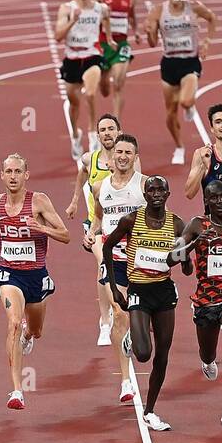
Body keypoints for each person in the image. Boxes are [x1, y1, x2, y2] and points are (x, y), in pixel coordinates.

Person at [0, 153, 71, 410]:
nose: (13, 176)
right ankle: (17, 390)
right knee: (14, 323)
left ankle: (29, 334)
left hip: (36, 276)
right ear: (2, 175)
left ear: (26, 175)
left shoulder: (39, 201)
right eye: (9, 172)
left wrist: (42, 229)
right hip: (8, 273)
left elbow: (65, 234)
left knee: (35, 330)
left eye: (18, 171)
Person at [104, 175, 189, 431]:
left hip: (163, 292)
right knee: (143, 354)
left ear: (167, 193)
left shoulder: (176, 224)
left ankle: (150, 410)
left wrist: (184, 256)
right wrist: (113, 287)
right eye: (151, 190)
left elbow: (186, 269)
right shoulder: (131, 220)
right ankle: (131, 338)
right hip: (138, 290)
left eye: (160, 190)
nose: (155, 194)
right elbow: (108, 247)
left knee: (162, 356)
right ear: (145, 194)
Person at [174, 181, 222, 429]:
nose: (220, 201)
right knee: (208, 353)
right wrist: (195, 244)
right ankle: (207, 360)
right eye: (214, 197)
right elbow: (174, 256)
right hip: (207, 299)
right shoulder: (198, 224)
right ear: (206, 201)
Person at [86, 132, 145, 403]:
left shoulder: (144, 186)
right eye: (118, 152)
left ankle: (138, 335)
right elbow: (98, 215)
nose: (122, 157)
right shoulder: (101, 188)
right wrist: (94, 232)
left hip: (143, 262)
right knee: (119, 313)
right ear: (113, 156)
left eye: (128, 153)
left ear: (135, 157)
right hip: (115, 263)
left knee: (142, 320)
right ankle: (125, 381)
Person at [65, 113, 128, 346]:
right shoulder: (90, 159)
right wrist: (74, 201)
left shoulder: (127, 159)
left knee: (129, 269)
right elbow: (82, 174)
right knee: (105, 264)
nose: (107, 133)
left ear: (119, 132)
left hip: (125, 227)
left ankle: (131, 310)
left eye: (111, 129)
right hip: (98, 225)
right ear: (98, 134)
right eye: (103, 129)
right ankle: (105, 321)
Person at [144, 0, 217, 166]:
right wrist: (150, 32)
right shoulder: (158, 11)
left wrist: (207, 42)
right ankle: (179, 147)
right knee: (170, 113)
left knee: (185, 101)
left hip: (190, 62)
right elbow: (151, 43)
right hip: (169, 64)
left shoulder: (194, 8)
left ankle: (189, 104)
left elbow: (212, 18)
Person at [55, 0, 111, 162]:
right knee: (74, 102)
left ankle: (92, 133)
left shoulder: (100, 9)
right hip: (72, 59)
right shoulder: (66, 8)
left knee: (90, 93)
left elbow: (107, 24)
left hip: (91, 56)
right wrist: (73, 20)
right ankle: (76, 135)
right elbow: (57, 36)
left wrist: (109, 40)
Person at [97, 0, 139, 120]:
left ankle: (116, 124)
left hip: (121, 45)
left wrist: (136, 32)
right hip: (103, 45)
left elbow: (133, 17)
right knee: (104, 89)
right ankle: (104, 80)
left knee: (118, 84)